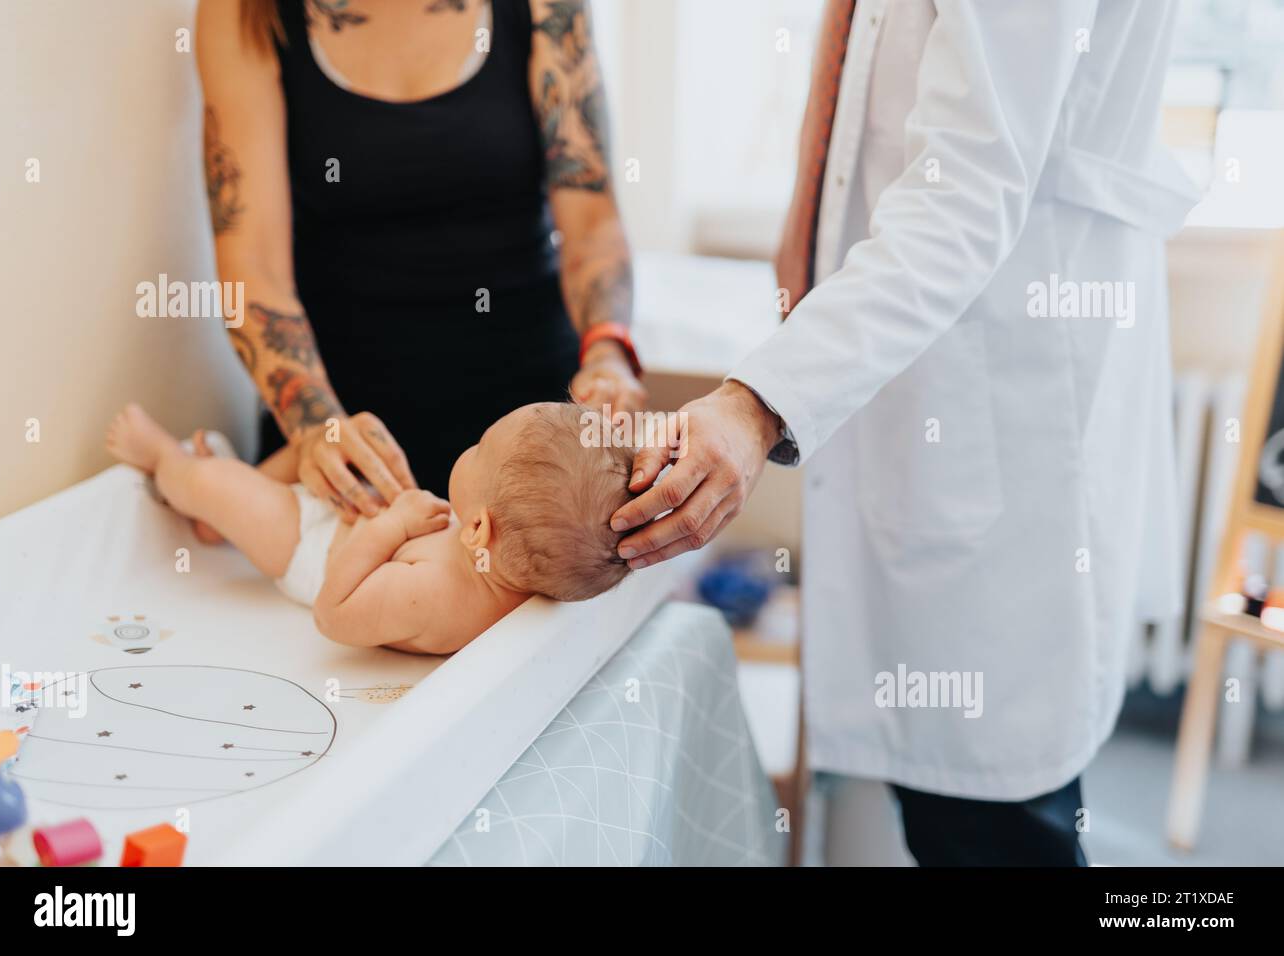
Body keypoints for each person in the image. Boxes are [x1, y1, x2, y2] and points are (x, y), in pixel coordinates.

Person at [610, 0, 1200, 865]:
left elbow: (963, 193)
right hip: (920, 392)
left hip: (1006, 408)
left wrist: (756, 402)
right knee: (938, 800)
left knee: (991, 819)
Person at [196, 0, 645, 524]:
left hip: (530, 434)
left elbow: (592, 223)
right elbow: (254, 268)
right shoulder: (244, 11)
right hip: (344, 437)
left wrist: (608, 351)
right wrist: (318, 427)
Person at [106, 401, 637, 655]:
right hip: (358, 526)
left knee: (213, 483)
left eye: (479, 449)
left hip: (309, 548)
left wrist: (388, 527)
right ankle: (217, 524)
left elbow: (334, 615)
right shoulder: (513, 564)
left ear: (478, 529)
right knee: (322, 446)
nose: (468, 449)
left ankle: (162, 461)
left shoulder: (432, 596)